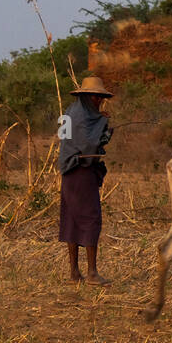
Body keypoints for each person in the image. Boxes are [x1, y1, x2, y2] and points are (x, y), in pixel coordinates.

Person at [58, 76, 115, 285]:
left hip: (68, 172)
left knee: (72, 218)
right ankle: (92, 273)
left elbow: (70, 139)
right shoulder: (88, 118)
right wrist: (105, 127)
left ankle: (74, 273)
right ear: (84, 96)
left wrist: (100, 120)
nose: (98, 100)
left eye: (100, 96)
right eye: (94, 96)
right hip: (81, 172)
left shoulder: (70, 113)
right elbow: (90, 147)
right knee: (92, 218)